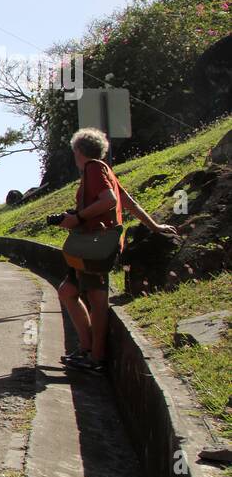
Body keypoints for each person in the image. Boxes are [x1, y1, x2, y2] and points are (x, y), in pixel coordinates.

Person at [58, 128, 178, 375]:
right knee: (69, 291)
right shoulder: (103, 169)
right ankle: (89, 349)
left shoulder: (93, 168)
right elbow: (128, 202)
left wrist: (78, 216)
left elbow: (110, 200)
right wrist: (154, 226)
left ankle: (95, 356)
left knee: (96, 300)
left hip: (94, 246)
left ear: (78, 151)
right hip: (98, 244)